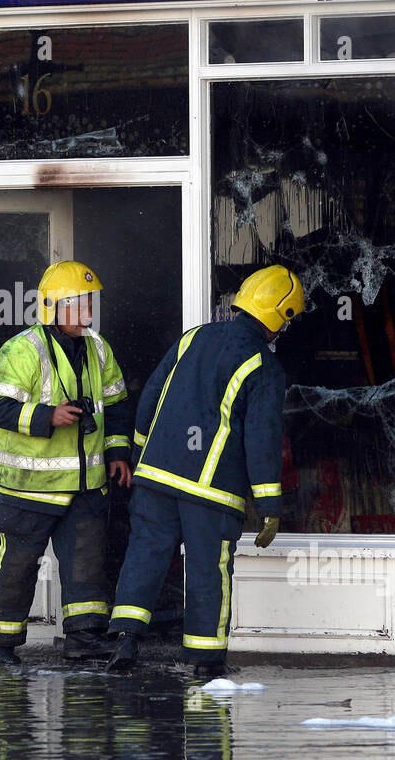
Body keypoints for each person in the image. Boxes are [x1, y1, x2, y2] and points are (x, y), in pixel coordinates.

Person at [107, 264, 304, 678]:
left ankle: (126, 640)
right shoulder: (264, 367)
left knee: (145, 555)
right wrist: (269, 505)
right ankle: (205, 660)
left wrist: (145, 454)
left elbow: (149, 400)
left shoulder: (194, 337)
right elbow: (261, 439)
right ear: (280, 317)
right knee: (208, 571)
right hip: (210, 492)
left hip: (156, 479)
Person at [0, 260, 133, 663]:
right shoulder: (22, 350)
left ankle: (84, 640)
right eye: (77, 304)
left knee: (86, 566)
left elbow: (116, 406)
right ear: (51, 308)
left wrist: (118, 454)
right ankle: (2, 646)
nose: (86, 313)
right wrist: (48, 416)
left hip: (86, 486)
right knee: (16, 566)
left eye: (89, 303)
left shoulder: (99, 349)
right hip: (27, 487)